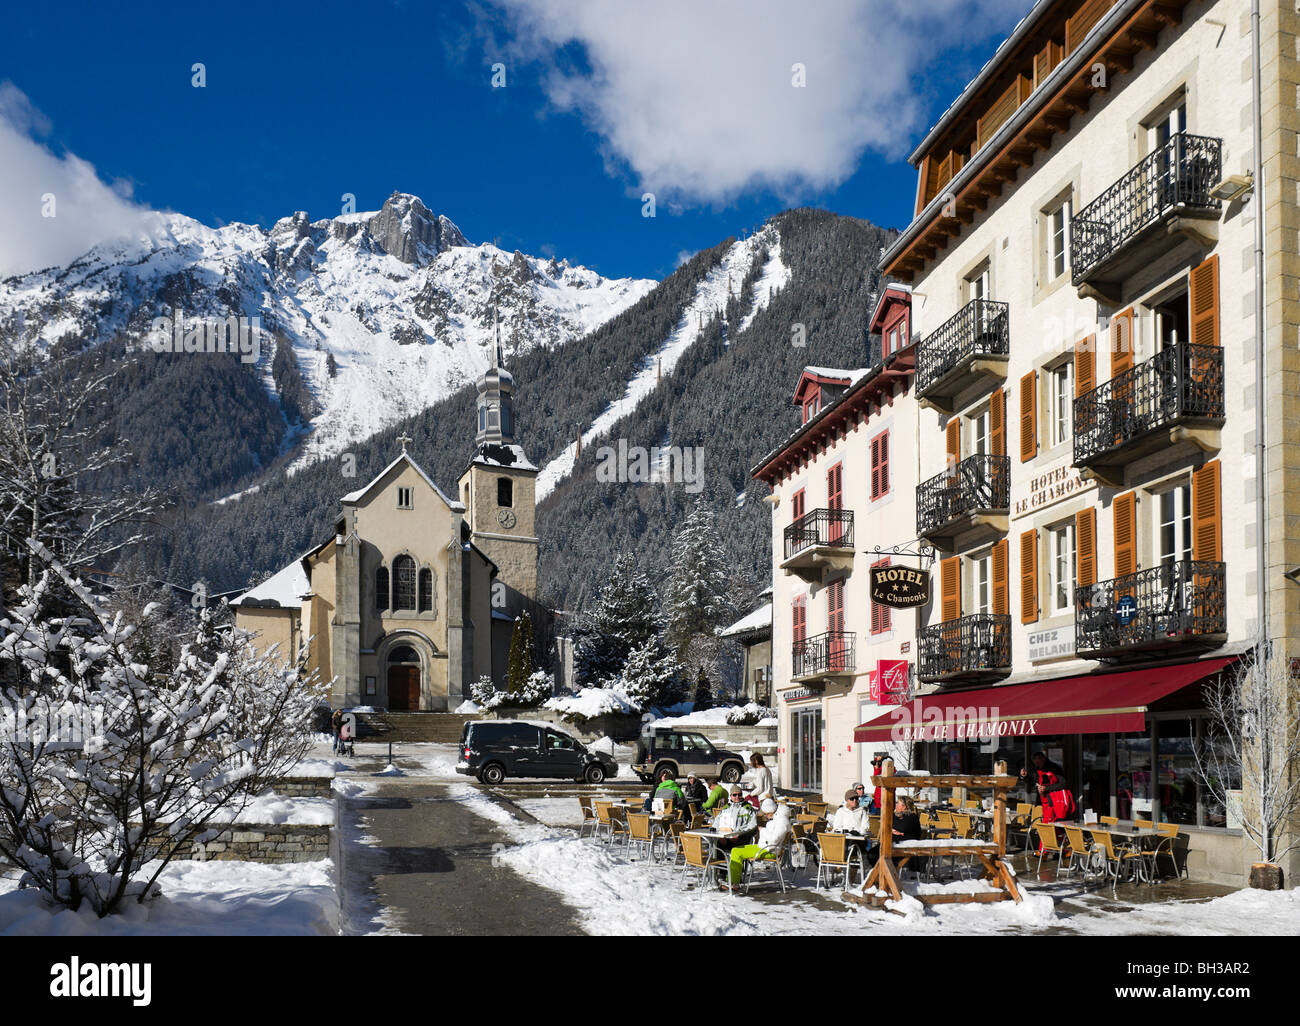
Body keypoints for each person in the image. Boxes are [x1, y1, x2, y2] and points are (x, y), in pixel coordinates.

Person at [724, 799, 792, 888]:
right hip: (765, 847)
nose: (766, 816)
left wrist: (762, 830)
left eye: (766, 814)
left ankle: (733, 883)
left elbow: (774, 840)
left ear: (771, 811)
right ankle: (733, 881)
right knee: (736, 850)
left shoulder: (781, 821)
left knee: (737, 852)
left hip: (770, 851)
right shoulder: (778, 818)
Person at [1020, 750, 1076, 824]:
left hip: (1055, 801)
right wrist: (1025, 777)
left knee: (1055, 822)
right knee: (1044, 823)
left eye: (1038, 760)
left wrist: (1046, 788)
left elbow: (1063, 783)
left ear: (1043, 759)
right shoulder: (1037, 769)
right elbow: (1033, 782)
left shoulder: (1054, 768)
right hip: (1042, 800)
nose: (1037, 763)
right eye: (1035, 761)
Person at [889, 795, 926, 876]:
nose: (896, 805)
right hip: (896, 843)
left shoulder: (911, 817)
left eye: (897, 803)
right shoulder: (894, 815)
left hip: (906, 845)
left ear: (904, 807)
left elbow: (903, 828)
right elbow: (889, 826)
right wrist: (893, 830)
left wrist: (894, 830)